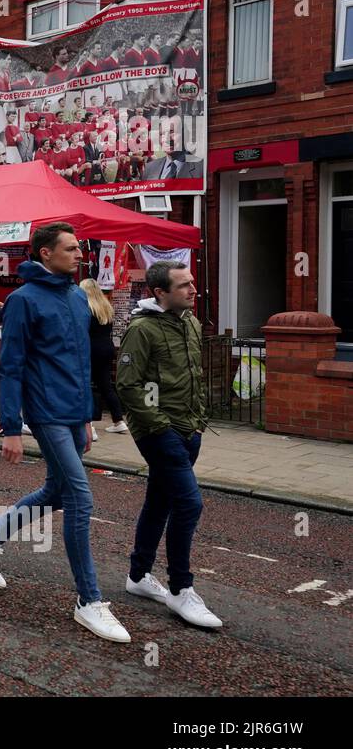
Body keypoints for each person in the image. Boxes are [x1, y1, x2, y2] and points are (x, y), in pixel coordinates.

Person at [0, 222, 132, 643]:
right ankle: (88, 601)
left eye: (79, 249)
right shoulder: (22, 300)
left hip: (73, 414)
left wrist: (87, 419)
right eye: (71, 249)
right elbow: (12, 365)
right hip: (45, 414)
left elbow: (81, 365)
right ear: (45, 254)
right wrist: (11, 426)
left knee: (56, 492)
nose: (80, 255)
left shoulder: (77, 297)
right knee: (79, 495)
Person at [117, 260, 220, 629]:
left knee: (159, 501)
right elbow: (128, 385)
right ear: (160, 293)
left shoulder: (190, 323)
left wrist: (199, 417)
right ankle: (180, 589)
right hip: (160, 433)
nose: (193, 290)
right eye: (183, 286)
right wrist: (159, 427)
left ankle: (139, 574)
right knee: (189, 504)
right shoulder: (142, 330)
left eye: (192, 283)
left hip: (190, 429)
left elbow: (194, 374)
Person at [80, 279, 126, 439]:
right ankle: (118, 420)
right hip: (107, 348)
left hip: (90, 350)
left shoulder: (85, 307)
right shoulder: (106, 306)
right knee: (106, 385)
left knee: (85, 385)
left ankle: (89, 425)